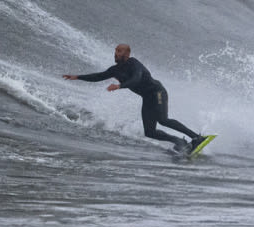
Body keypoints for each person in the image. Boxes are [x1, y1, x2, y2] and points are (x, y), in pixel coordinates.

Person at [64, 43, 212, 154]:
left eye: (119, 51)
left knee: (163, 120)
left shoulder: (134, 63)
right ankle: (179, 142)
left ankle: (196, 137)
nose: (115, 54)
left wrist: (120, 86)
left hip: (157, 92)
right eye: (115, 51)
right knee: (150, 132)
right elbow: (98, 76)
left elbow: (136, 79)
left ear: (127, 54)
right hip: (147, 98)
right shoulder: (115, 70)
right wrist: (77, 77)